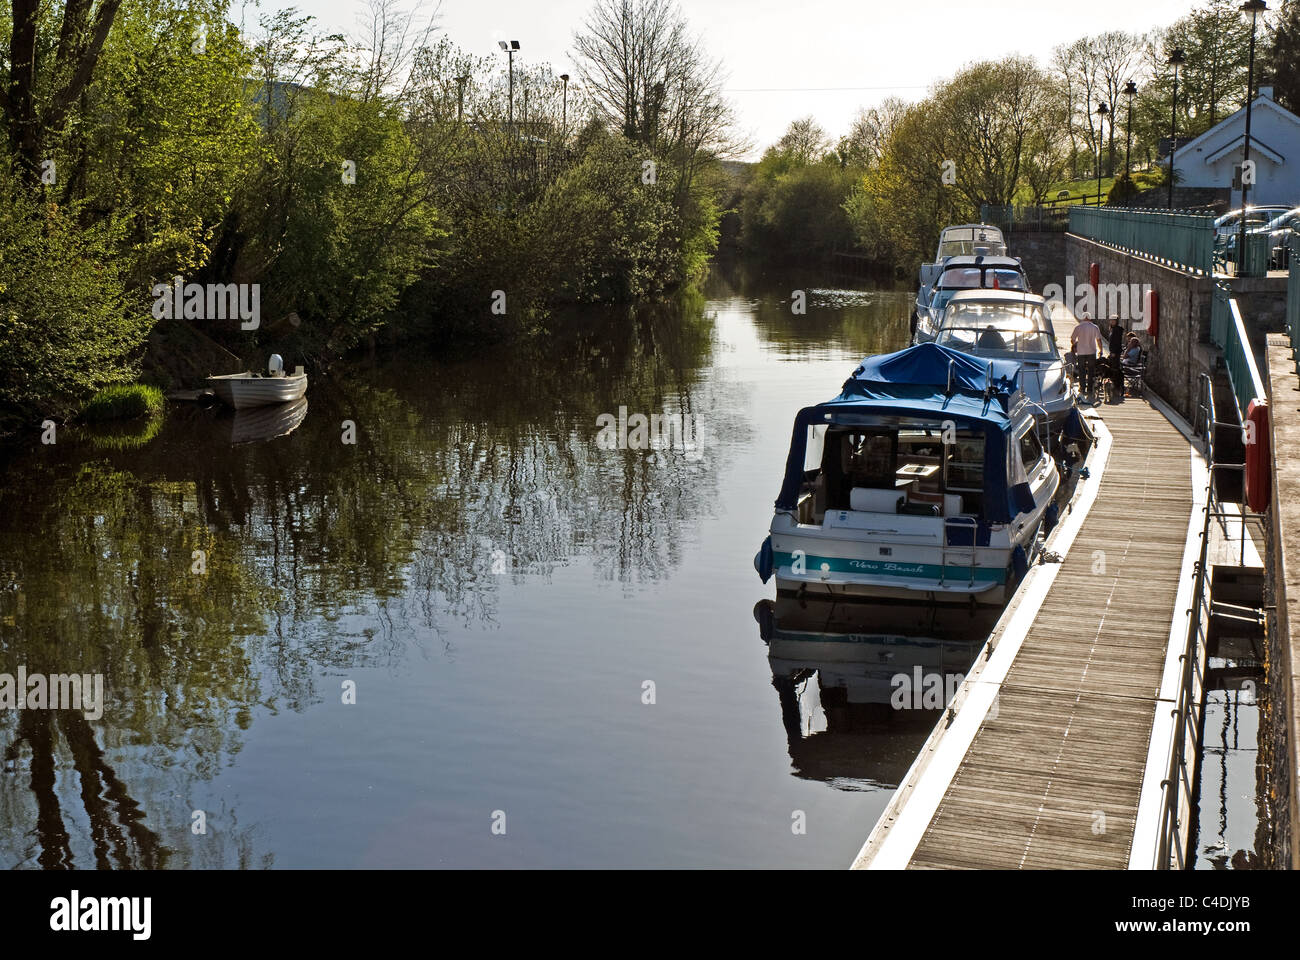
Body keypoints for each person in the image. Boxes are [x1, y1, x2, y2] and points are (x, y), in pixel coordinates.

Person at [1070, 313, 1104, 398]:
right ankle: (1089, 388)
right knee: (1091, 370)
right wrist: (1101, 350)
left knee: (1081, 370)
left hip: (1081, 352)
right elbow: (1099, 340)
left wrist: (1076, 345)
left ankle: (1082, 388)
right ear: (1089, 318)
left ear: (1083, 318)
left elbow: (1072, 339)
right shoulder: (1095, 327)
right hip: (1091, 352)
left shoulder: (1078, 327)